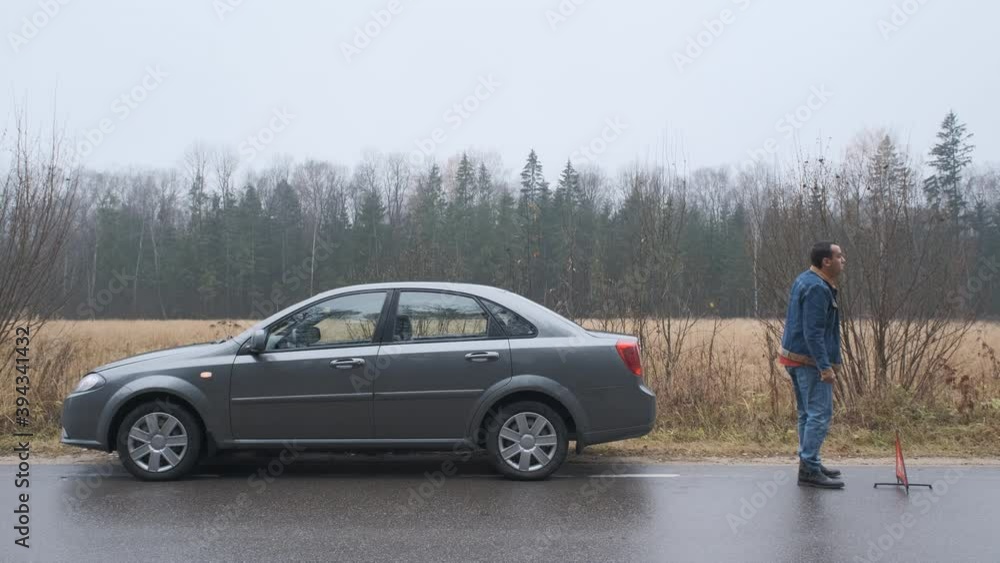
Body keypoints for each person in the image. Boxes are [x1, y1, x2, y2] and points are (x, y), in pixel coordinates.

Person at [779, 241, 847, 489]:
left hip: (795, 358)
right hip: (809, 362)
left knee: (807, 414)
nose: (843, 260)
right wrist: (825, 367)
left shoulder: (805, 279)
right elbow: (813, 332)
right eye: (839, 256)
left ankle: (811, 462)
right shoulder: (817, 288)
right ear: (826, 261)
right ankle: (808, 468)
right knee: (819, 414)